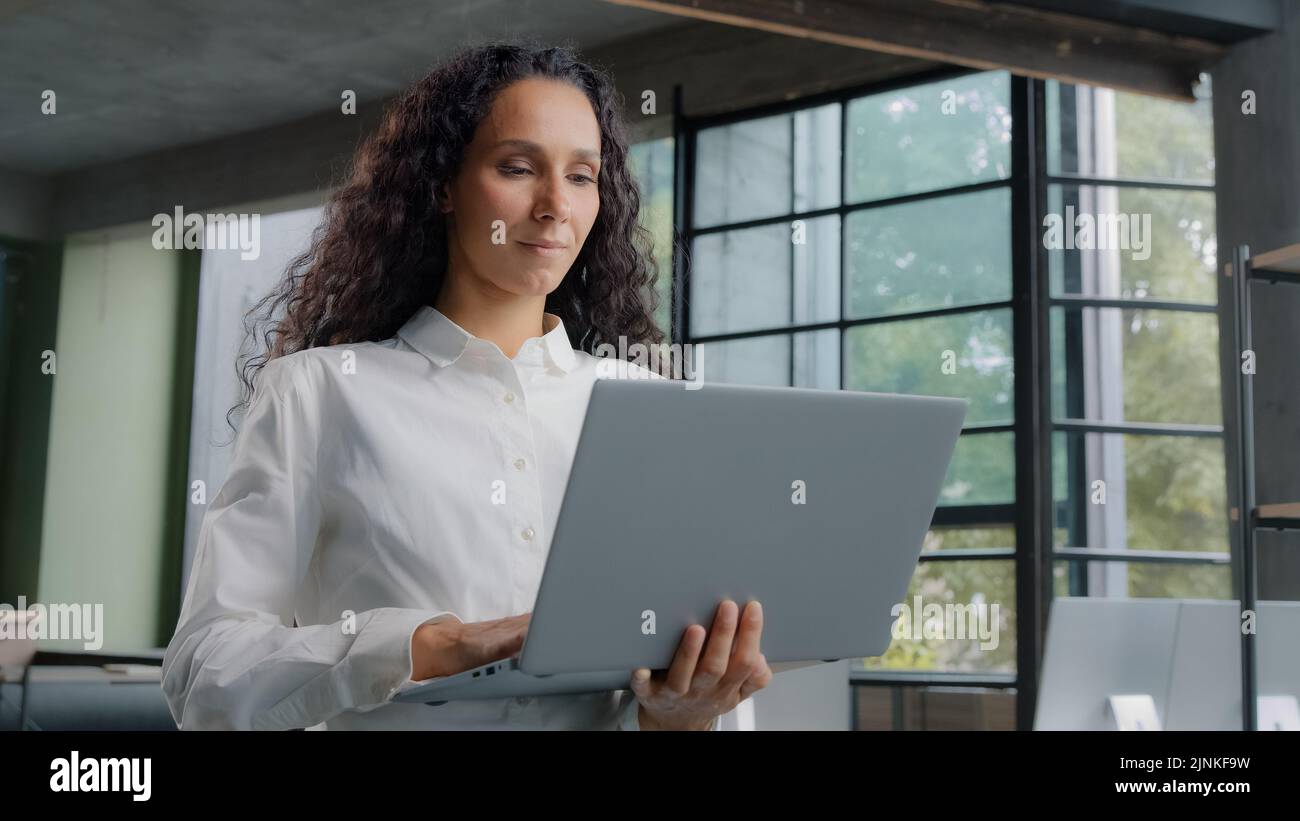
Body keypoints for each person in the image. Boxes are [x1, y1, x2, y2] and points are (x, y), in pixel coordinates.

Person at [160, 41, 773, 730]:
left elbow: (694, 677)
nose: (554, 206)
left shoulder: (651, 406)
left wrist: (682, 715)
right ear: (441, 185)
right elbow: (205, 670)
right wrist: (430, 646)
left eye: (581, 176)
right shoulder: (320, 394)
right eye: (518, 168)